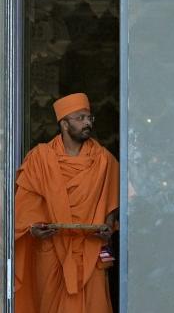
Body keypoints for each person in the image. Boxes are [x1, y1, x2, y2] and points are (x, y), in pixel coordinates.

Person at [14, 93, 120, 313]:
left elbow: (111, 204)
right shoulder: (39, 158)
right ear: (63, 124)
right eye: (80, 118)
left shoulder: (104, 160)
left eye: (89, 118)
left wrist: (108, 228)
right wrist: (34, 230)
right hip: (51, 252)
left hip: (90, 251)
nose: (87, 123)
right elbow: (26, 210)